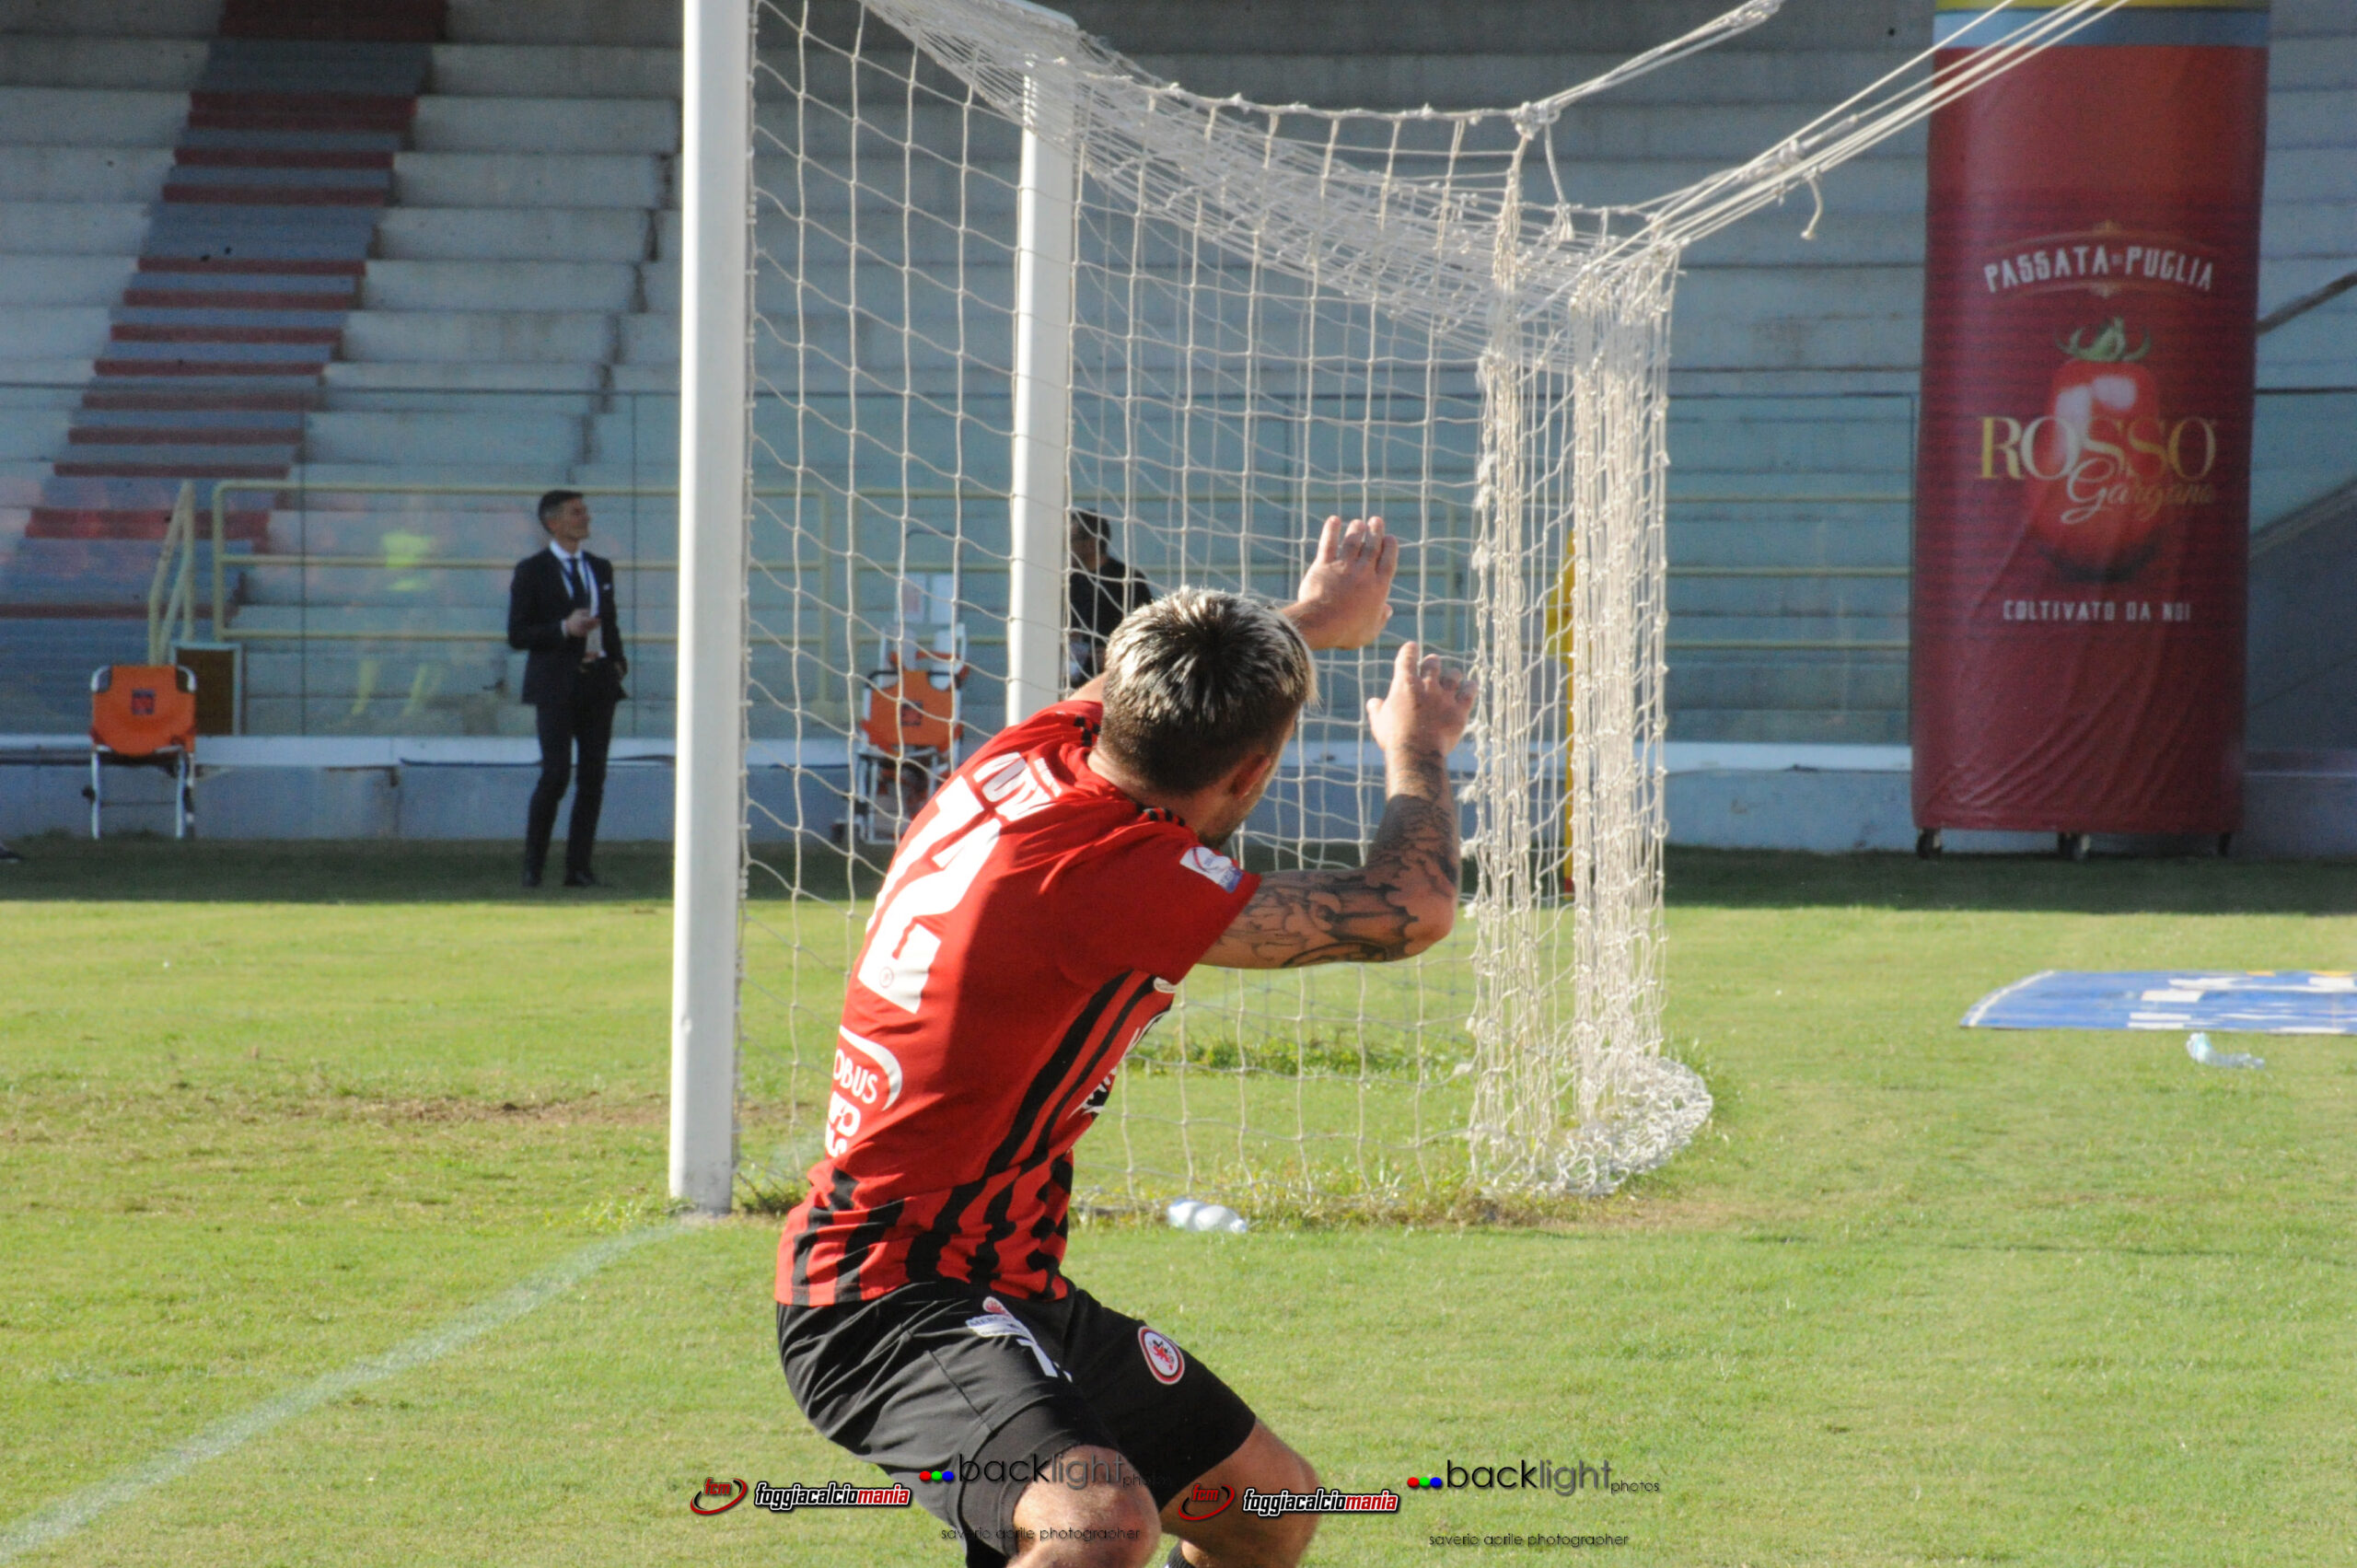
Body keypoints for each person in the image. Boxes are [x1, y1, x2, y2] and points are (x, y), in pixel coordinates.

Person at [778, 515, 1475, 1568]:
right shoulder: (1110, 877)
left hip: (1005, 1279)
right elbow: (1408, 906)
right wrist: (1415, 746)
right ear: (1253, 769)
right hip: (888, 1293)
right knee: (1096, 1519)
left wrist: (1313, 622)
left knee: (1264, 1509)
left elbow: (1170, 686)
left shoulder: (1037, 751)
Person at [506, 490, 627, 889]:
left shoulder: (600, 567)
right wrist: (563, 628)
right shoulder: (532, 571)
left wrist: (617, 660)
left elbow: (609, 621)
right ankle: (533, 865)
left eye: (584, 512)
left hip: (597, 684)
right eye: (576, 513)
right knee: (555, 774)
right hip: (556, 686)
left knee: (593, 778)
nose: (585, 518)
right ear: (554, 522)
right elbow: (518, 633)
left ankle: (579, 868)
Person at [1067, 508, 1155, 685]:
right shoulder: (1067, 581)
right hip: (1072, 682)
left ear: (1091, 543)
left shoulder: (1127, 580)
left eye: (1070, 541)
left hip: (1114, 682)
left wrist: (1114, 654)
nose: (1066, 548)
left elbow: (1149, 633)